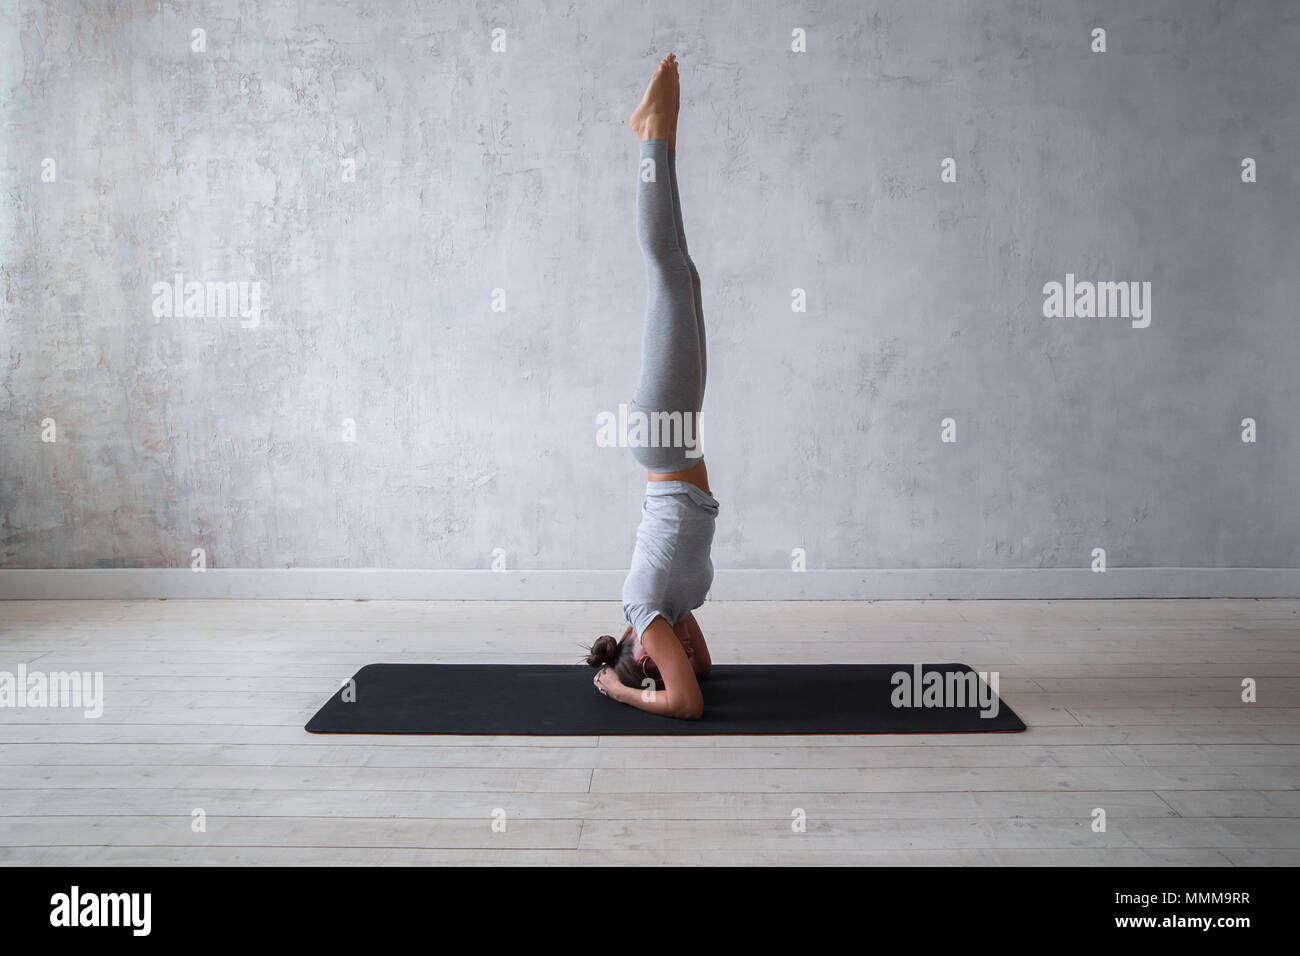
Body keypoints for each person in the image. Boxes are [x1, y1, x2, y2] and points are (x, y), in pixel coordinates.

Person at [586, 54, 718, 720]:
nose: (684, 656)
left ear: (642, 656)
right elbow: (706, 669)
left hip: (662, 445)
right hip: (670, 446)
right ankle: (656, 138)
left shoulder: (643, 605)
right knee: (683, 277)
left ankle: (652, 133)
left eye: (664, 659)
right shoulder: (669, 608)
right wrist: (668, 653)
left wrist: (621, 692)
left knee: (666, 275)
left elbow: (690, 703)